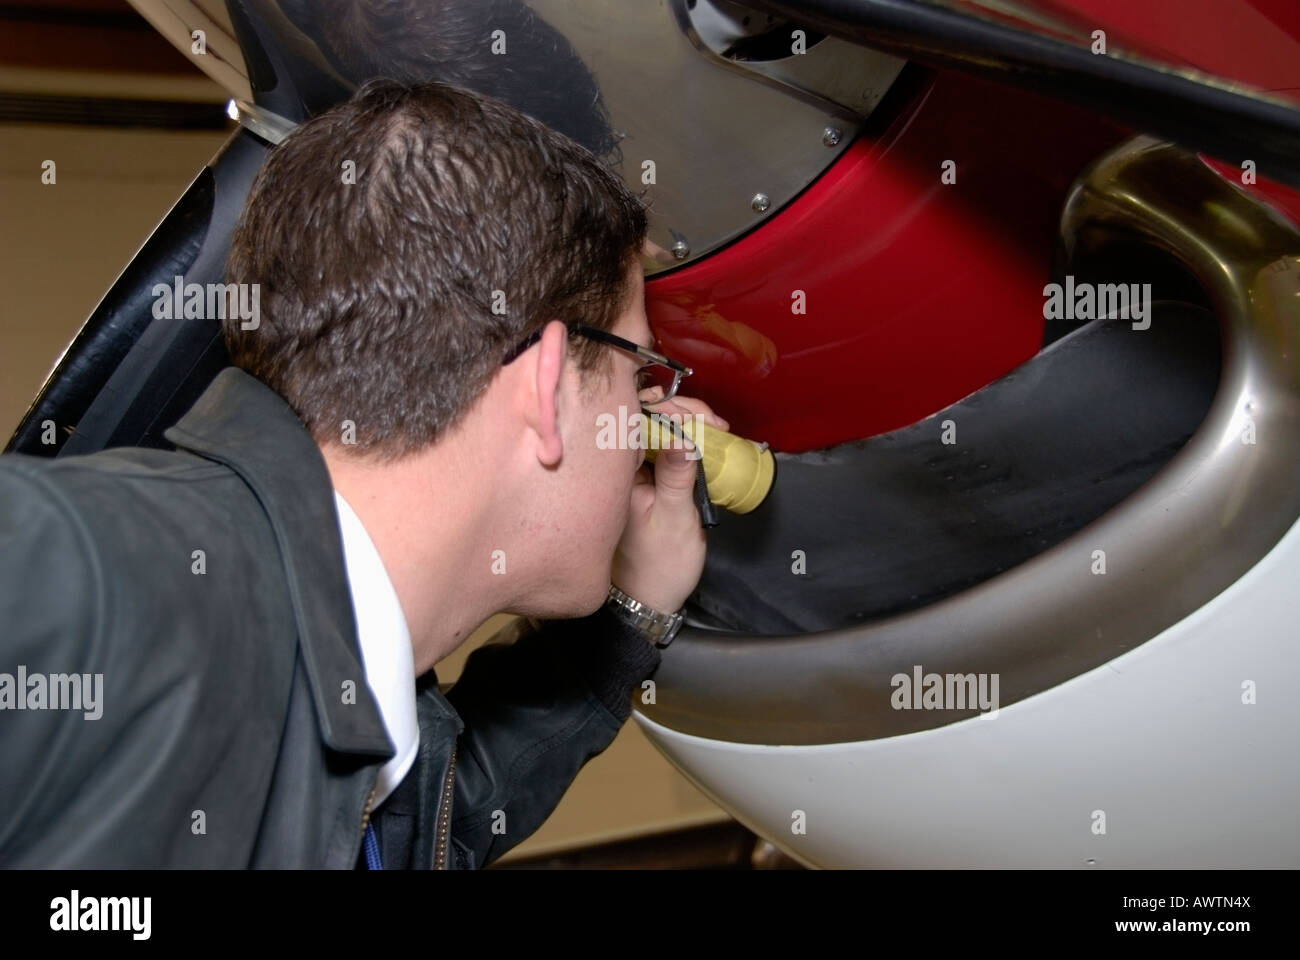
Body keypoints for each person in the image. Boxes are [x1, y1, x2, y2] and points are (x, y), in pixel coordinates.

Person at [0, 78, 726, 868]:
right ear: (547, 389)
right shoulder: (86, 579)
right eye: (638, 368)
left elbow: (416, 830)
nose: (646, 420)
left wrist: (633, 612)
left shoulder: (360, 702)